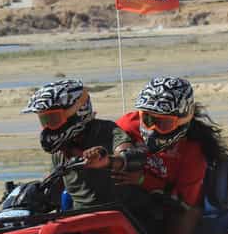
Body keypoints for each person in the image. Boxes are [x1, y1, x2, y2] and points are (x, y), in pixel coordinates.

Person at [115, 76, 228, 234]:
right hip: (130, 195)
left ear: (182, 121)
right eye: (148, 118)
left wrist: (143, 179)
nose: (152, 127)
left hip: (180, 202)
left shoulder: (193, 151)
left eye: (162, 122)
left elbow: (182, 199)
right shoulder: (128, 124)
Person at [22, 79, 145, 209]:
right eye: (44, 120)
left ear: (78, 112)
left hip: (119, 215)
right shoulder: (60, 148)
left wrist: (107, 161)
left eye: (53, 120)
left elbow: (133, 157)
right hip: (80, 218)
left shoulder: (105, 130)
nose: (48, 127)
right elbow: (54, 189)